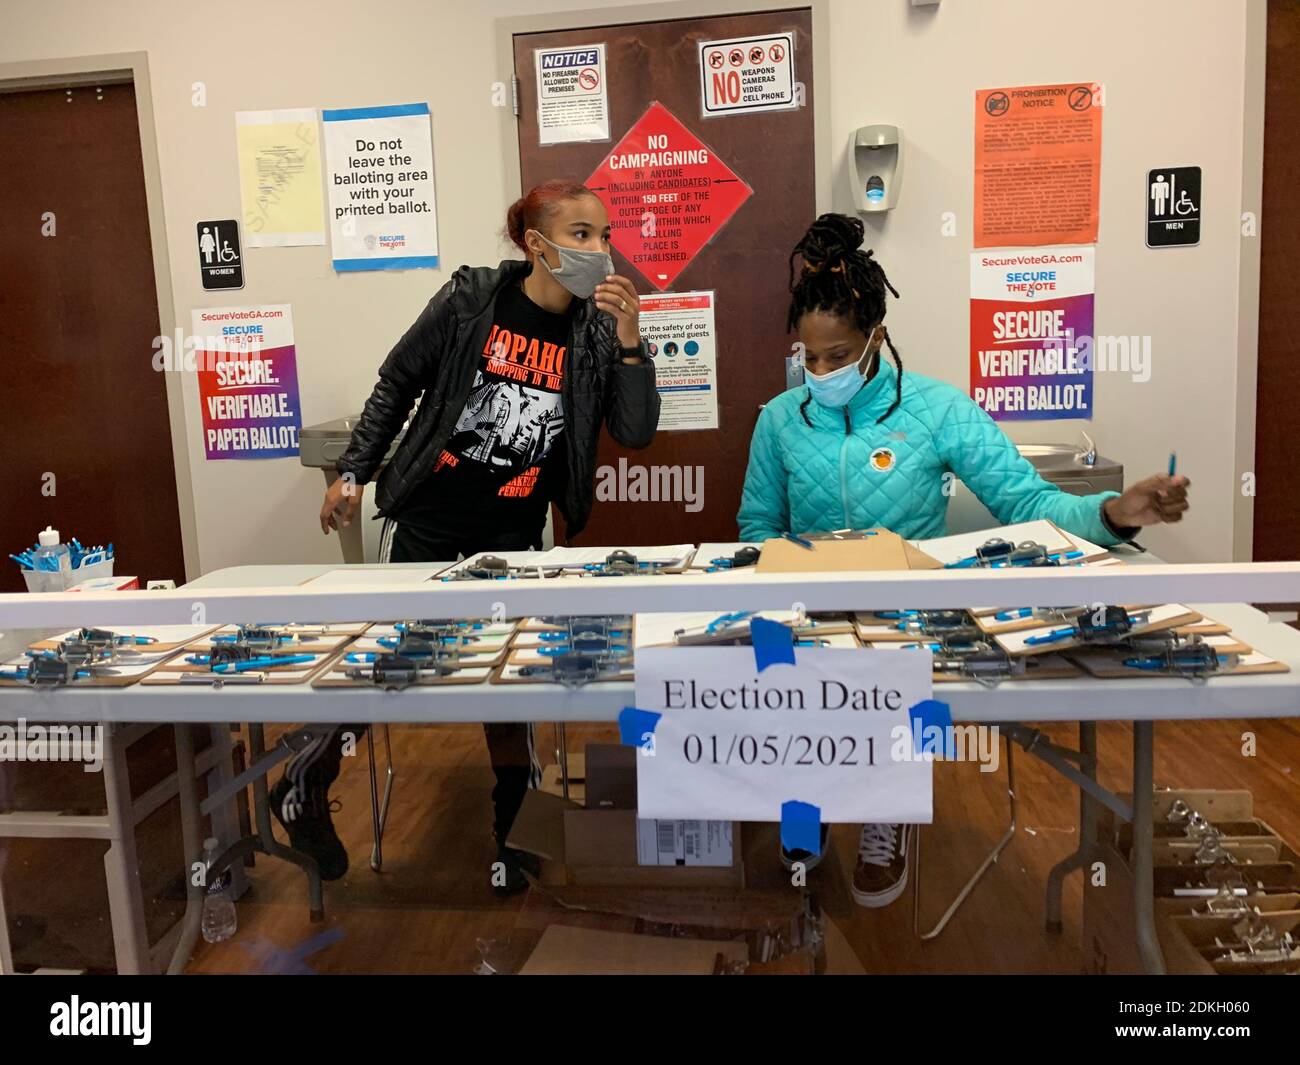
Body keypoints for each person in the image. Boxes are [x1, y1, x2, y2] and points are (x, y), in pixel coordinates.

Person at [738, 213, 1190, 908]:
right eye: (810, 358)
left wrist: (1115, 512)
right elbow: (757, 528)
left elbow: (1029, 504)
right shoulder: (779, 419)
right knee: (788, 665)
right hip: (815, 605)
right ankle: (813, 797)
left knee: (889, 671)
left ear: (876, 340)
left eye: (838, 355)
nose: (821, 372)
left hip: (911, 614)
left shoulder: (938, 409)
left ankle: (884, 808)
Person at [274, 179, 660, 895]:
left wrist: (633, 342)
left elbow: (636, 431)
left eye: (605, 236)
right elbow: (398, 384)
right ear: (535, 244)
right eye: (581, 235)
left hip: (515, 532)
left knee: (510, 686)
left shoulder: (600, 328)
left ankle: (513, 831)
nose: (599, 252)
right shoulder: (470, 301)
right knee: (381, 665)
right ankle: (304, 779)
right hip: (428, 522)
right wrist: (353, 471)